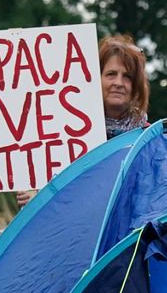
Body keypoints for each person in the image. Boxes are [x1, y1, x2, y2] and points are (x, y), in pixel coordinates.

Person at [14, 33, 152, 208]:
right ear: (95, 79)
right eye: (111, 74)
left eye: (127, 77)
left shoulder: (148, 137)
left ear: (136, 86)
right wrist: (35, 195)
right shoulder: (67, 132)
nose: (119, 82)